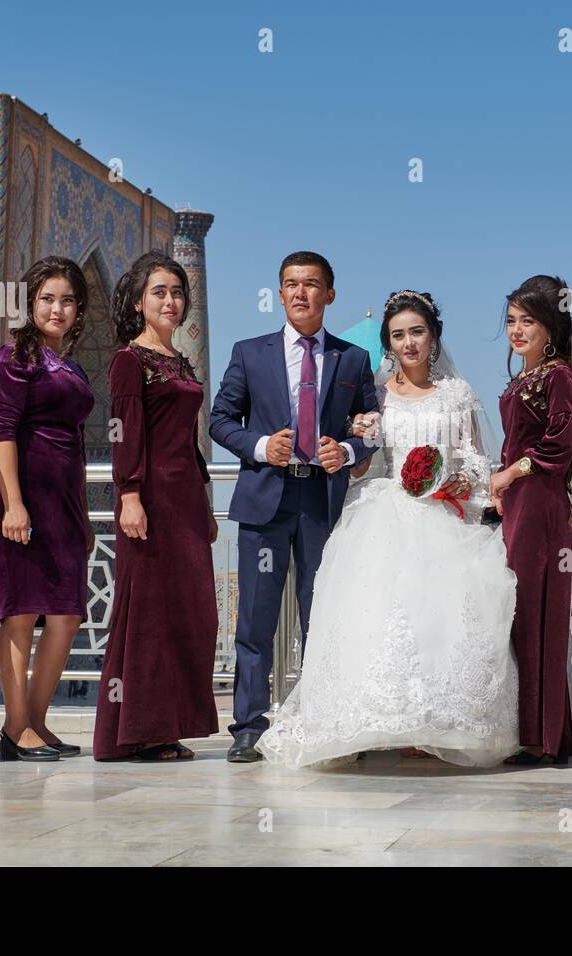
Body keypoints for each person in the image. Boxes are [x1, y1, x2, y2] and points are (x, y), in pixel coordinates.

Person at [257, 290, 518, 768]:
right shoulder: (375, 396)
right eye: (398, 335)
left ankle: (435, 724)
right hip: (386, 510)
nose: (409, 343)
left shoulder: (457, 394)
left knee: (443, 617)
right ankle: (373, 722)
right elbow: (363, 467)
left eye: (417, 332)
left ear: (433, 336)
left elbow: (477, 460)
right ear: (388, 344)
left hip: (444, 513)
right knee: (383, 614)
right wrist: (356, 445)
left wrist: (459, 481)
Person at [210, 251, 379, 763]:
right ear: (279, 294)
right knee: (255, 620)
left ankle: (326, 718)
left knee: (323, 615)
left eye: (311, 284)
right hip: (265, 500)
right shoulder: (249, 352)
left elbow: (369, 426)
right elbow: (221, 420)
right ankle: (248, 726)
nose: (300, 293)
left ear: (330, 294)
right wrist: (262, 446)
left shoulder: (353, 359)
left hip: (322, 503)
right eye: (290, 284)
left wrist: (347, 451)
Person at [92, 252, 220, 761]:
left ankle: (169, 725)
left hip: (186, 498)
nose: (171, 301)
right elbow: (124, 431)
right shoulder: (131, 359)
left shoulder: (179, 361)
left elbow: (188, 439)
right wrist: (129, 495)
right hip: (149, 500)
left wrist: (205, 500)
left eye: (177, 292)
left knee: (191, 612)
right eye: (160, 292)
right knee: (146, 613)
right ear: (140, 301)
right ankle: (137, 732)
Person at [0, 256, 96, 761]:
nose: (58, 308)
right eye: (48, 298)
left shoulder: (69, 364)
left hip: (66, 502)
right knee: (22, 610)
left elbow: (73, 439)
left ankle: (36, 720)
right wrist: (13, 503)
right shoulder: (14, 358)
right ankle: (15, 727)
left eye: (68, 300)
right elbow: (3, 431)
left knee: (68, 614)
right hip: (25, 498)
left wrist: (83, 514)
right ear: (30, 304)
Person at [491, 275, 572, 765]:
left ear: (550, 326)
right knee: (517, 613)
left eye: (527, 321)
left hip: (540, 503)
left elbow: (560, 442)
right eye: (511, 320)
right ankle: (535, 732)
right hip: (518, 502)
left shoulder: (557, 375)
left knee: (536, 614)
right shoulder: (524, 377)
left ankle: (545, 739)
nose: (516, 330)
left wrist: (514, 470)